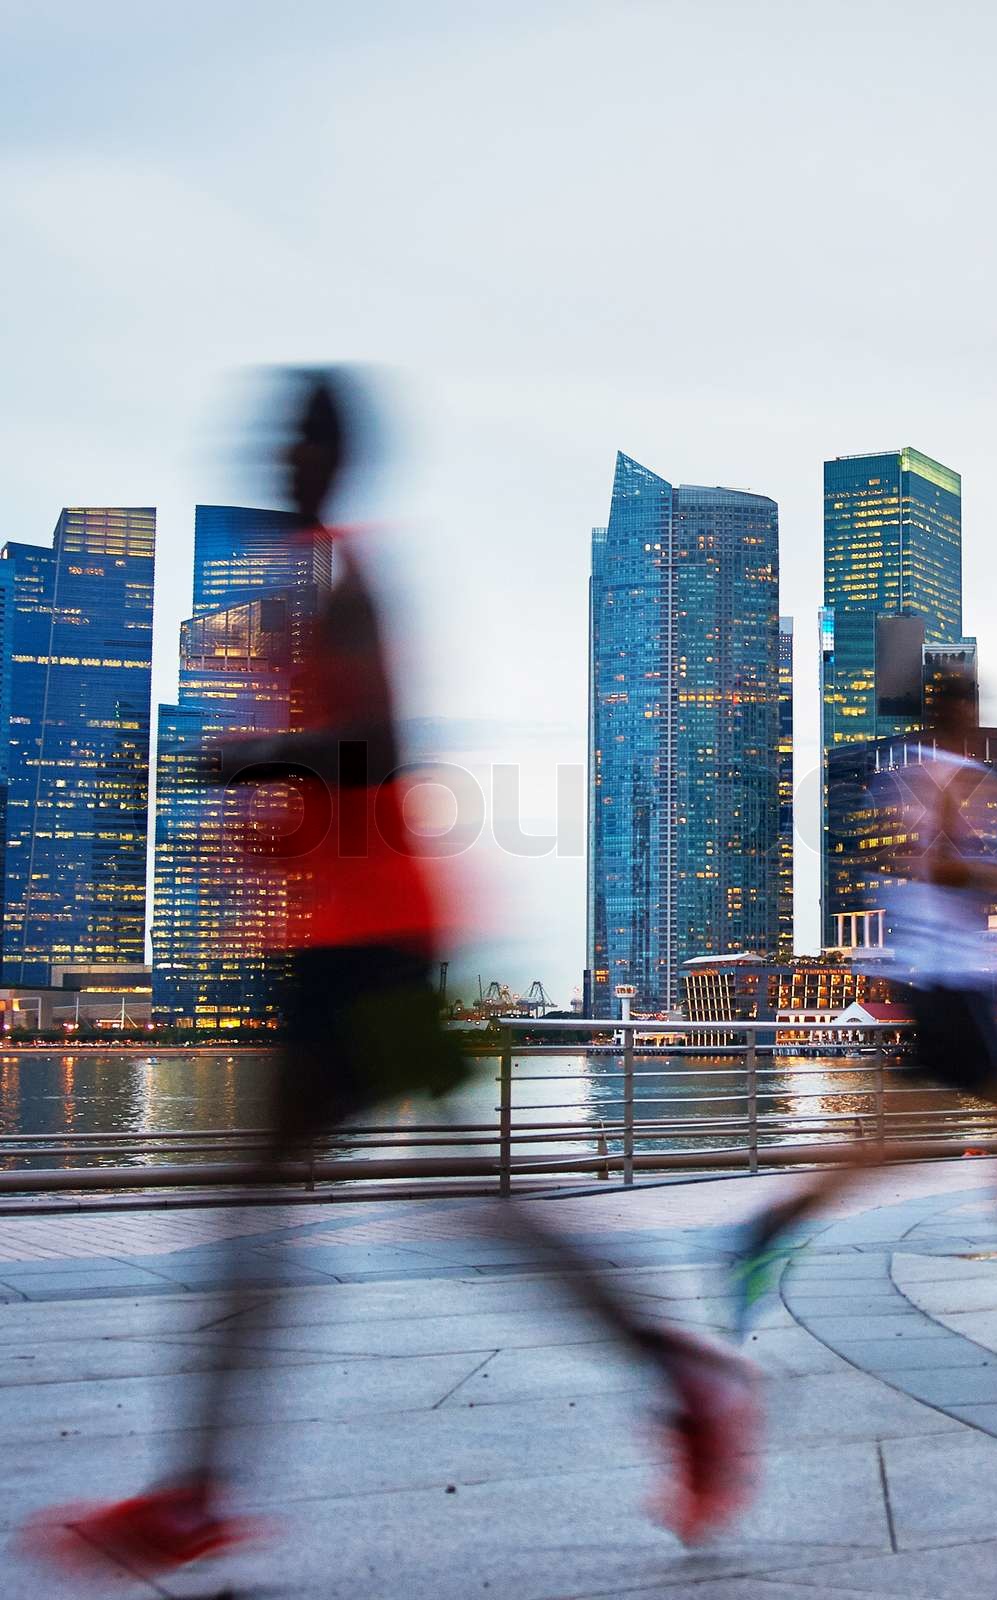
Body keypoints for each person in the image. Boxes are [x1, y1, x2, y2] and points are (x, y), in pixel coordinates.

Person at [25, 371, 762, 1588]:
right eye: (279, 437)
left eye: (302, 437)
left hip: (368, 950)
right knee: (442, 1197)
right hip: (352, 944)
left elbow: (380, 746)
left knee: (316, 1203)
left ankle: (200, 1491)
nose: (281, 457)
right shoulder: (311, 585)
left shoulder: (346, 586)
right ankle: (680, 1376)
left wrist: (248, 761)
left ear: (332, 453)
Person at [732, 669, 997, 1343]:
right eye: (975, 712)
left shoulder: (908, 776)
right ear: (960, 714)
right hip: (955, 984)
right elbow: (940, 868)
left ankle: (774, 1222)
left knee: (901, 1140)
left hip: (937, 983)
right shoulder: (949, 777)